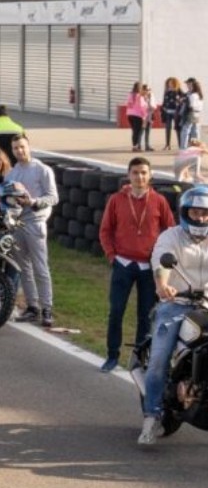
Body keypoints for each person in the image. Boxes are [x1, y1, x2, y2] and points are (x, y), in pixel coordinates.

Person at [136, 185, 208, 445]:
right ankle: (152, 418)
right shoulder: (171, 237)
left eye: (205, 213)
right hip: (176, 303)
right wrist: (162, 286)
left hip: (206, 305)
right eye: (196, 212)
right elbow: (160, 265)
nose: (200, 217)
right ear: (185, 212)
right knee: (159, 360)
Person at [98, 158, 176, 373]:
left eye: (143, 172)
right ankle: (112, 355)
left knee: (146, 315)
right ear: (128, 175)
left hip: (149, 268)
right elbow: (105, 230)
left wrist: (163, 261)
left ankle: (140, 359)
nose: (139, 177)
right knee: (116, 311)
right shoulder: (116, 200)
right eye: (135, 172)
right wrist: (112, 256)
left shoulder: (159, 201)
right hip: (123, 264)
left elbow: (171, 232)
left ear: (150, 175)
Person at [7, 135, 58, 327]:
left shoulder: (42, 170)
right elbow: (6, 197)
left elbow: (53, 197)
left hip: (36, 223)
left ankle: (47, 308)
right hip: (17, 223)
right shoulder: (11, 174)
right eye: (15, 148)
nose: (19, 151)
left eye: (22, 147)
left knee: (40, 267)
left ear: (28, 147)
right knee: (23, 268)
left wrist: (33, 202)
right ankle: (32, 307)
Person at [125, 83, 152, 153]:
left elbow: (127, 104)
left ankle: (134, 146)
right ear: (140, 88)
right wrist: (144, 115)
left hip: (130, 114)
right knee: (138, 131)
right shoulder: (139, 96)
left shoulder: (130, 95)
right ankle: (136, 147)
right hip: (138, 115)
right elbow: (142, 106)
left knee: (134, 131)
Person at [160, 78, 185, 151]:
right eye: (168, 83)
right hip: (167, 111)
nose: (169, 84)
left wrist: (179, 101)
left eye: (171, 83)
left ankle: (180, 145)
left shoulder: (178, 90)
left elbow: (184, 97)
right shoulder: (166, 91)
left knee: (177, 128)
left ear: (175, 83)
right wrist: (163, 107)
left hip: (176, 112)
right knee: (167, 128)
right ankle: (167, 145)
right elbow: (164, 100)